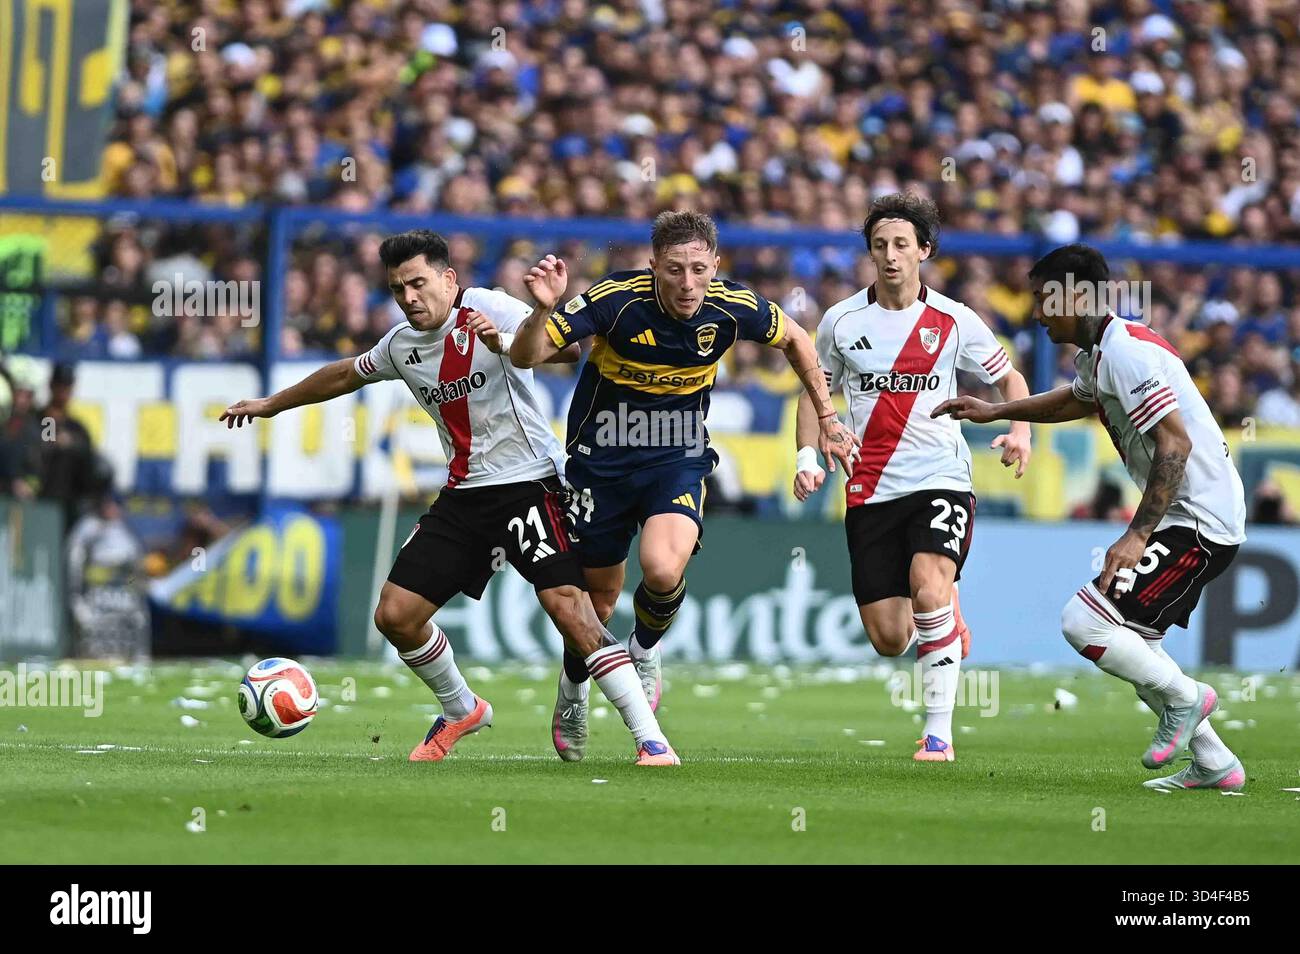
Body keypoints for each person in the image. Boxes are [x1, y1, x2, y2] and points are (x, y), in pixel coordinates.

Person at [221, 229, 680, 766]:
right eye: (398, 290)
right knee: (395, 616)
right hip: (465, 496)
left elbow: (564, 350)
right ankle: (461, 706)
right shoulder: (400, 345)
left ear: (448, 279)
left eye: (418, 284)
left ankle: (650, 739)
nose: (410, 298)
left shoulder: (487, 306)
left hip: (531, 482)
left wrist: (529, 321)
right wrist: (273, 404)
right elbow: (344, 374)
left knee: (570, 609)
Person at [510, 210, 857, 761]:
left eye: (699, 269)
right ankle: (573, 687)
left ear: (715, 267)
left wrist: (827, 415)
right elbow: (524, 355)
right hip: (600, 463)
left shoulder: (732, 305)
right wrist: (544, 309)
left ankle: (644, 648)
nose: (688, 284)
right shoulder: (613, 301)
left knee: (664, 567)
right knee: (595, 604)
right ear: (654, 267)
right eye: (674, 270)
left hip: (677, 456)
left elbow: (796, 339)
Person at [934, 243, 1248, 791]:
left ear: (1077, 295)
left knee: (1084, 622)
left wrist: (1137, 533)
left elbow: (1174, 447)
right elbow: (1075, 402)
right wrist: (996, 410)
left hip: (1199, 521)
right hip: (1188, 517)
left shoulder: (1127, 353)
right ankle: (1216, 763)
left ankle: (1189, 700)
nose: (1036, 313)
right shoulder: (1099, 355)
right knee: (1135, 647)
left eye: (1042, 300)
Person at [792, 192, 1033, 762]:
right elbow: (814, 391)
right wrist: (807, 454)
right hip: (870, 485)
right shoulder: (841, 321)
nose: (891, 255)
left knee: (928, 585)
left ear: (924, 250)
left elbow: (1011, 379)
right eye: (880, 245)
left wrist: (1020, 430)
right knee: (890, 638)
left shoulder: (953, 320)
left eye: (902, 244)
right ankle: (947, 609)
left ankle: (938, 733)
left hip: (940, 477)